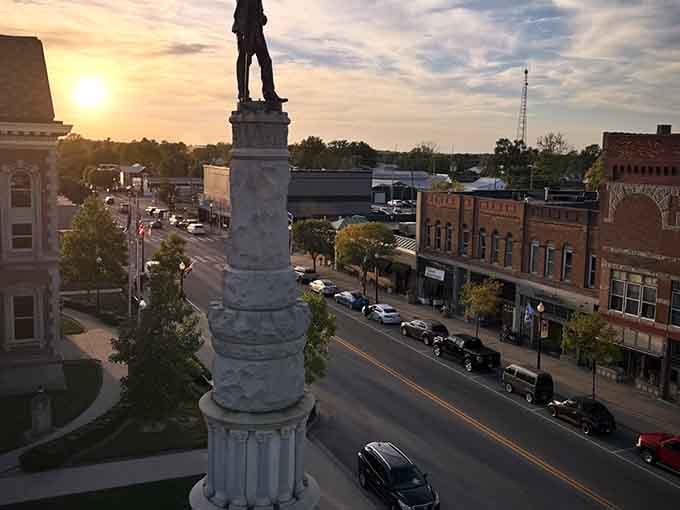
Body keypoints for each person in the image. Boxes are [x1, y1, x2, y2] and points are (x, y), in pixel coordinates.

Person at [232, 0, 287, 104]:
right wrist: (242, 31)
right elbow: (241, 9)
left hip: (256, 29)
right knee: (244, 62)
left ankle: (269, 92)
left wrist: (262, 17)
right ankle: (243, 94)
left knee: (266, 60)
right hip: (245, 29)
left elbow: (256, 9)